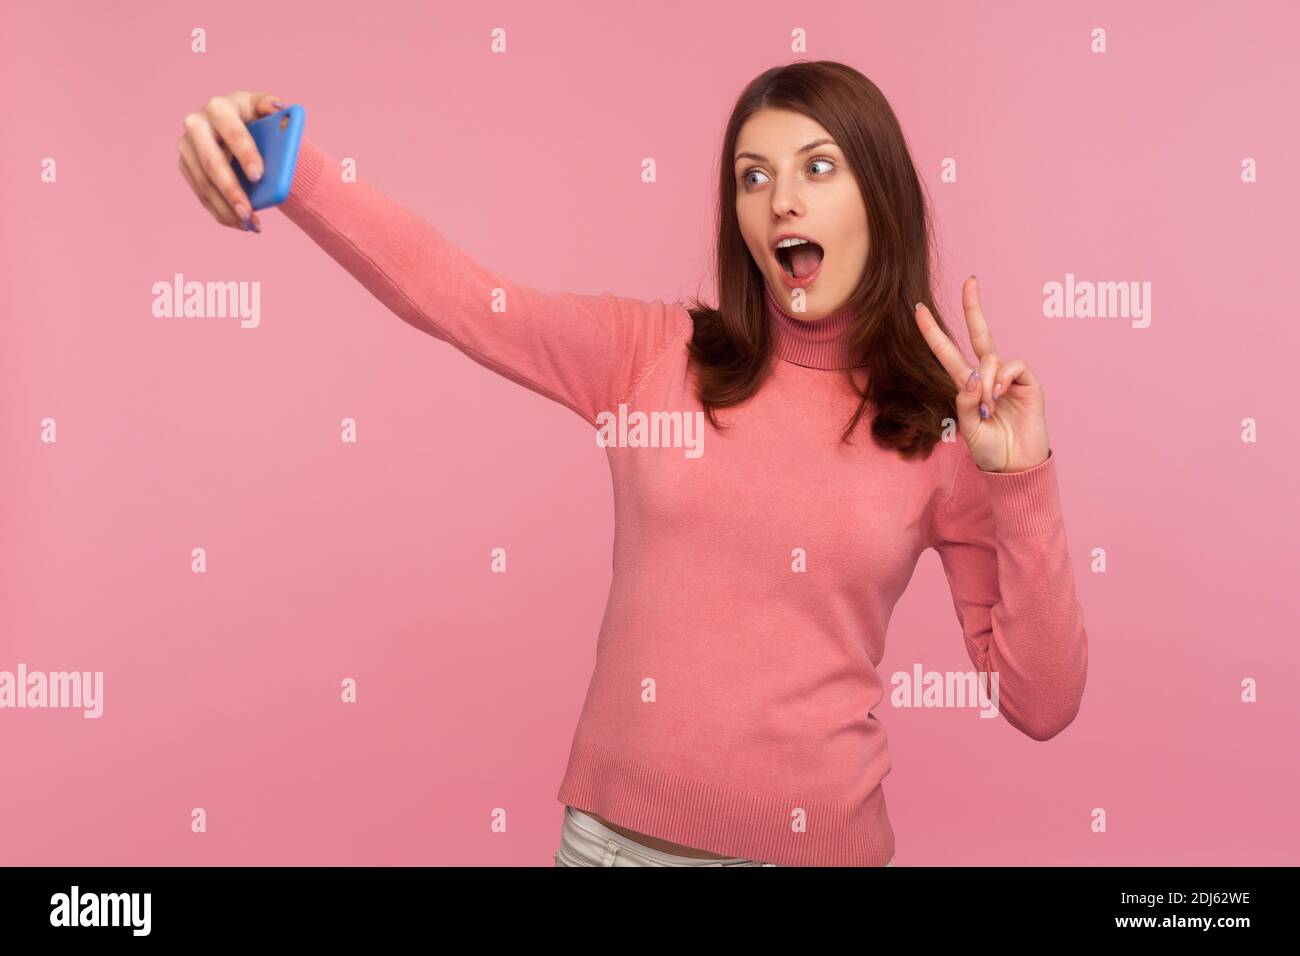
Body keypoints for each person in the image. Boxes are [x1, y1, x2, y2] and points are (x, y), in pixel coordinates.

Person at [175, 60, 1088, 868]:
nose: (783, 202)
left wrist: (1024, 478)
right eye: (753, 177)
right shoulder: (656, 356)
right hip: (611, 848)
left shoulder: (938, 431)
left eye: (818, 167)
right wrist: (290, 169)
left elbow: (1040, 702)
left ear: (878, 198)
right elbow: (457, 294)